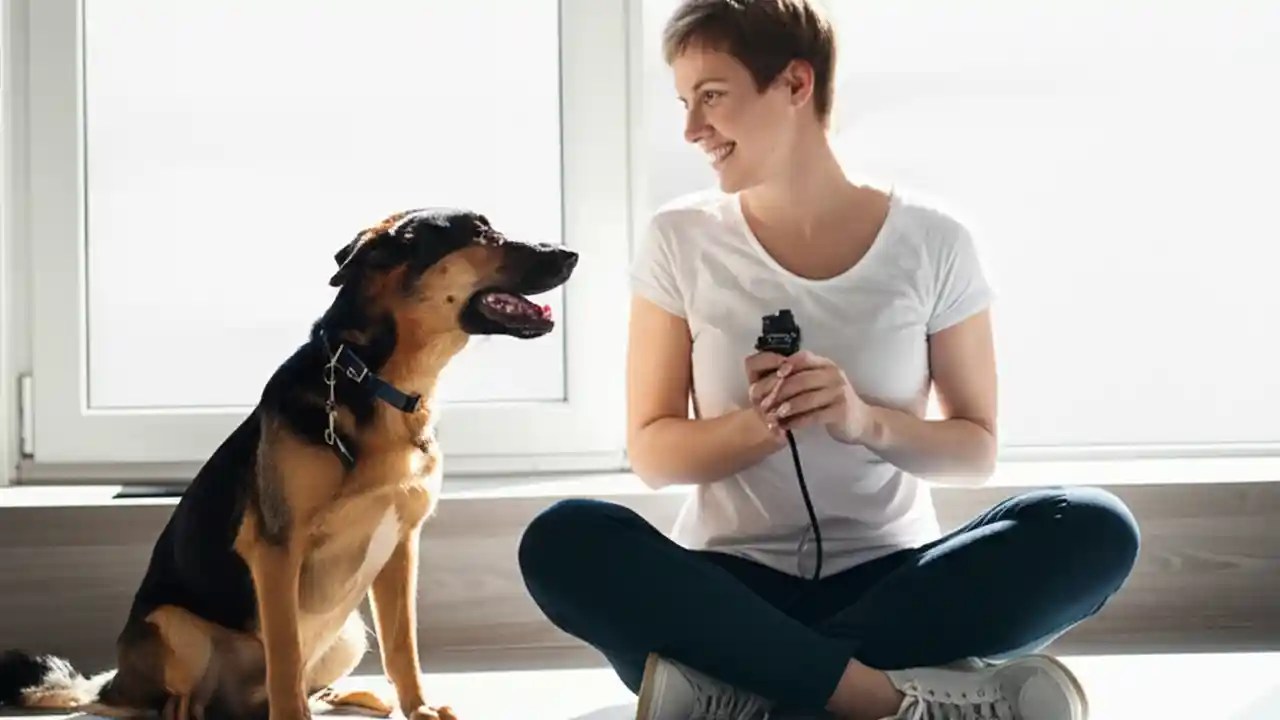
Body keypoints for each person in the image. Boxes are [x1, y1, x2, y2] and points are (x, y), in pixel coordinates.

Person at [518, 1, 1140, 718]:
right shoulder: (679, 238)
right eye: (684, 104)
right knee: (564, 539)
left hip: (896, 584)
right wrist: (755, 428)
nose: (692, 130)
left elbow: (974, 450)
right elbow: (655, 452)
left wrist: (864, 422)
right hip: (725, 588)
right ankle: (879, 698)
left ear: (794, 84)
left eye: (712, 97)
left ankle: (744, 690)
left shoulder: (935, 241)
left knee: (1094, 526)